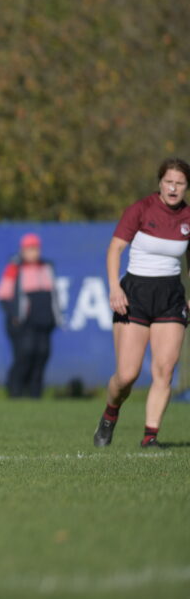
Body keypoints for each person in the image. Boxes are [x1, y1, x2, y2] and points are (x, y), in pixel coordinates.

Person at [94, 158, 190, 448]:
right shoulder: (140, 209)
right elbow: (115, 249)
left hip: (170, 298)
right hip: (134, 294)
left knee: (165, 370)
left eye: (180, 183)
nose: (173, 188)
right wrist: (114, 288)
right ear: (160, 183)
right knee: (127, 375)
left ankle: (150, 437)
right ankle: (110, 414)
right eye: (168, 182)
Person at [0, 233, 63, 398]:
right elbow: (3, 295)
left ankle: (35, 393)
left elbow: (53, 295)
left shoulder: (46, 267)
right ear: (23, 250)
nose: (34, 252)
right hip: (24, 323)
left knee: (42, 355)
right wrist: (15, 316)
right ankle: (15, 391)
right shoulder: (15, 268)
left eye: (36, 248)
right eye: (30, 249)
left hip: (44, 321)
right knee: (25, 355)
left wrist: (55, 317)